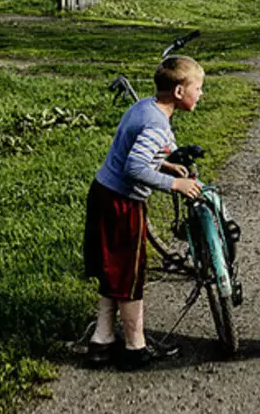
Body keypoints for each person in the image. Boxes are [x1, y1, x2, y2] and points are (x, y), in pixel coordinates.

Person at [83, 55, 205, 370]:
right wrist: (174, 183)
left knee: (115, 269)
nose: (201, 94)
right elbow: (135, 166)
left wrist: (164, 162)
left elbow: (134, 149)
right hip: (121, 203)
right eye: (198, 87)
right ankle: (135, 347)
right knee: (130, 274)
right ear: (179, 92)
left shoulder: (145, 107)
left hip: (104, 193)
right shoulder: (157, 122)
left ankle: (102, 339)